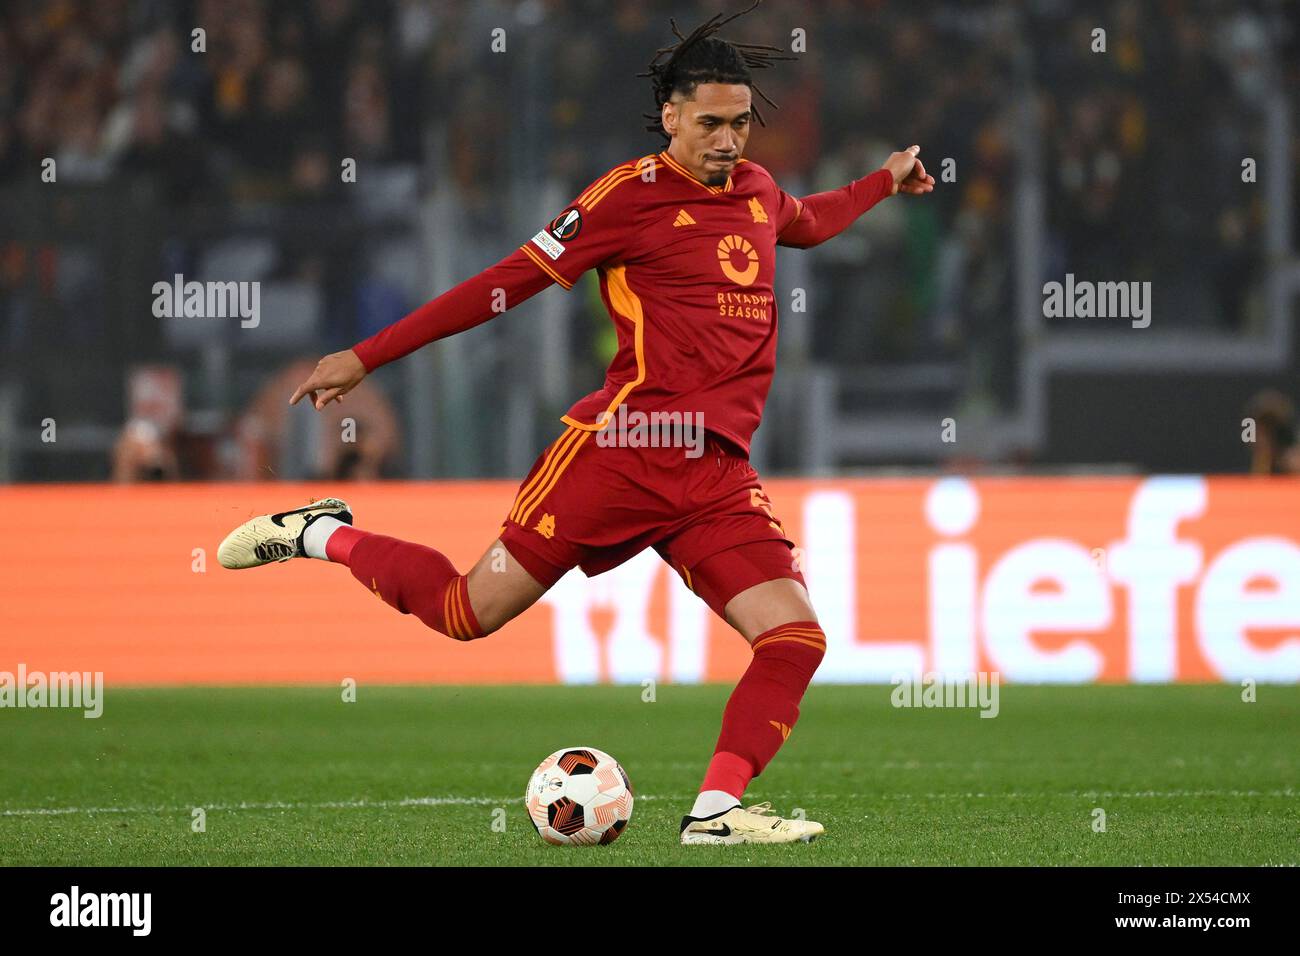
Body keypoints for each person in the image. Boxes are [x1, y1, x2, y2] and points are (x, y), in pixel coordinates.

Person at [217, 3, 933, 845]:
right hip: (622, 455)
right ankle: (321, 534)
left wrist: (884, 181)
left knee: (795, 638)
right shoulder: (627, 197)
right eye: (710, 124)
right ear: (671, 116)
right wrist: (369, 355)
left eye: (740, 123)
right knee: (465, 612)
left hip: (714, 473)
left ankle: (716, 811)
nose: (728, 141)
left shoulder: (757, 192)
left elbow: (808, 220)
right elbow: (504, 283)